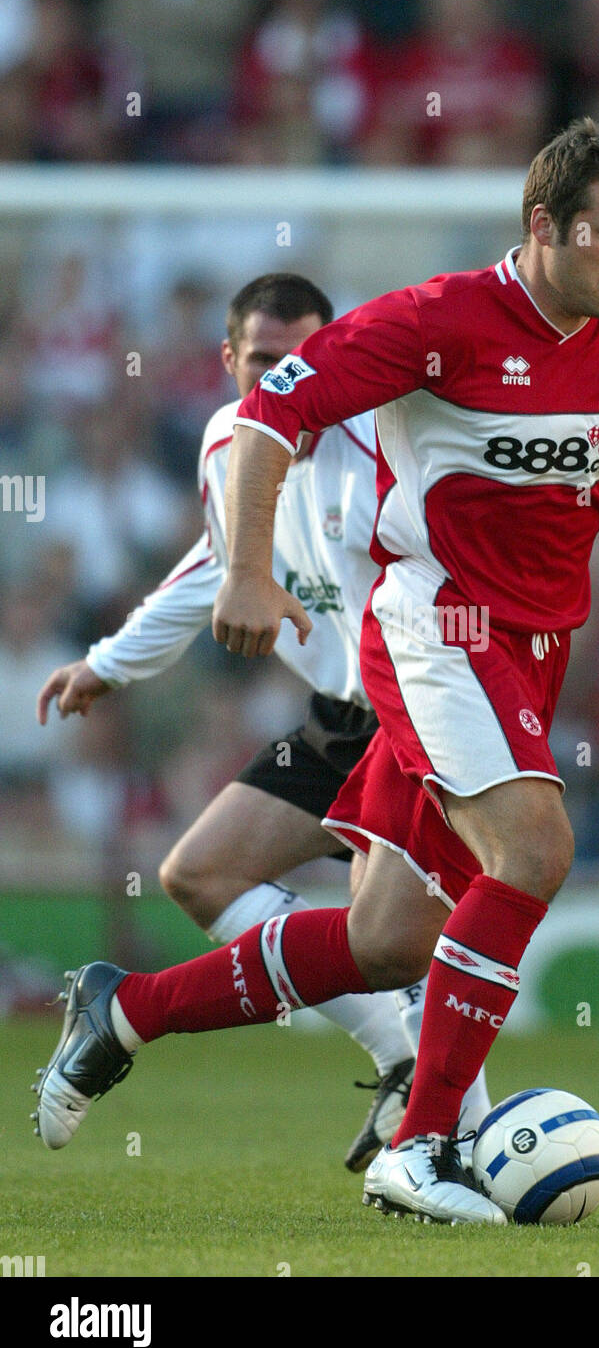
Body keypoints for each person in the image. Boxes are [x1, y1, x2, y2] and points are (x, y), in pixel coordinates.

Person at [34, 122, 599, 1225]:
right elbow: (268, 415)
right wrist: (247, 573)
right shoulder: (434, 322)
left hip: (534, 651)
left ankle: (126, 1013)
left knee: (385, 936)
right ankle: (422, 1142)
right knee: (534, 852)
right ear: (542, 227)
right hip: (435, 628)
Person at [33, 271, 490, 1172]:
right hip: (337, 715)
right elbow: (216, 563)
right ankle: (405, 1066)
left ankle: (454, 1135)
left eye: (310, 358)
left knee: (388, 937)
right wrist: (109, 663)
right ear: (229, 359)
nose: (288, 381)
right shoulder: (226, 447)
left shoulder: (384, 437)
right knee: (200, 873)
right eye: (266, 363)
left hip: (416, 709)